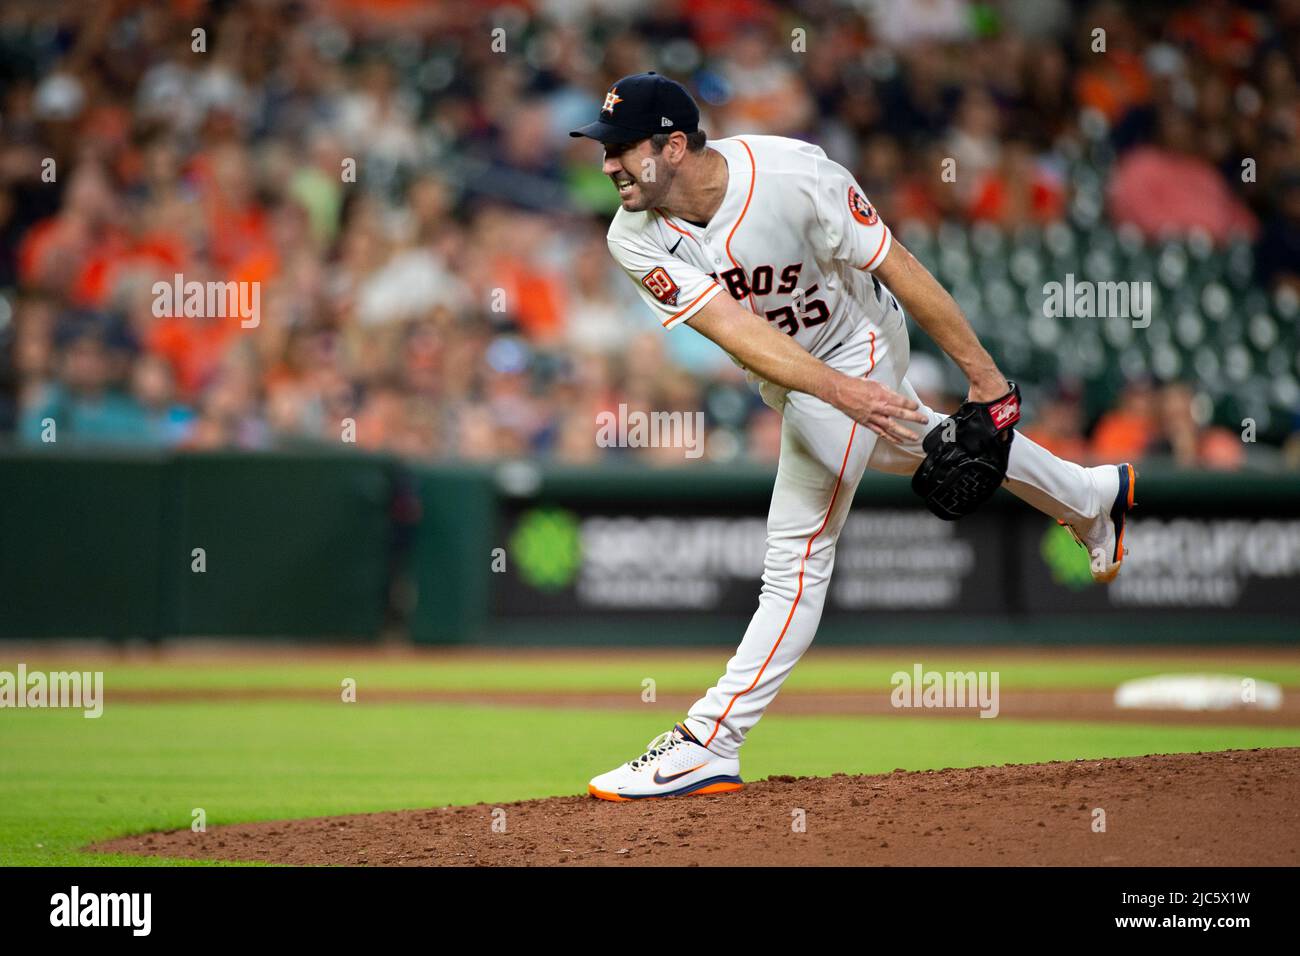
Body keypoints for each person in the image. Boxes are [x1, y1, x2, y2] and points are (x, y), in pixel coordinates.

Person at [571, 73, 1136, 801]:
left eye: (622, 147)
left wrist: (987, 381)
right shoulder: (631, 237)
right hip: (799, 373)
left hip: (860, 339)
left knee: (797, 549)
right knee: (922, 445)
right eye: (604, 147)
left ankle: (711, 742)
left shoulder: (791, 174)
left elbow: (898, 267)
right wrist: (845, 399)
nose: (608, 162)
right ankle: (1093, 496)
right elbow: (735, 331)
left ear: (674, 146)